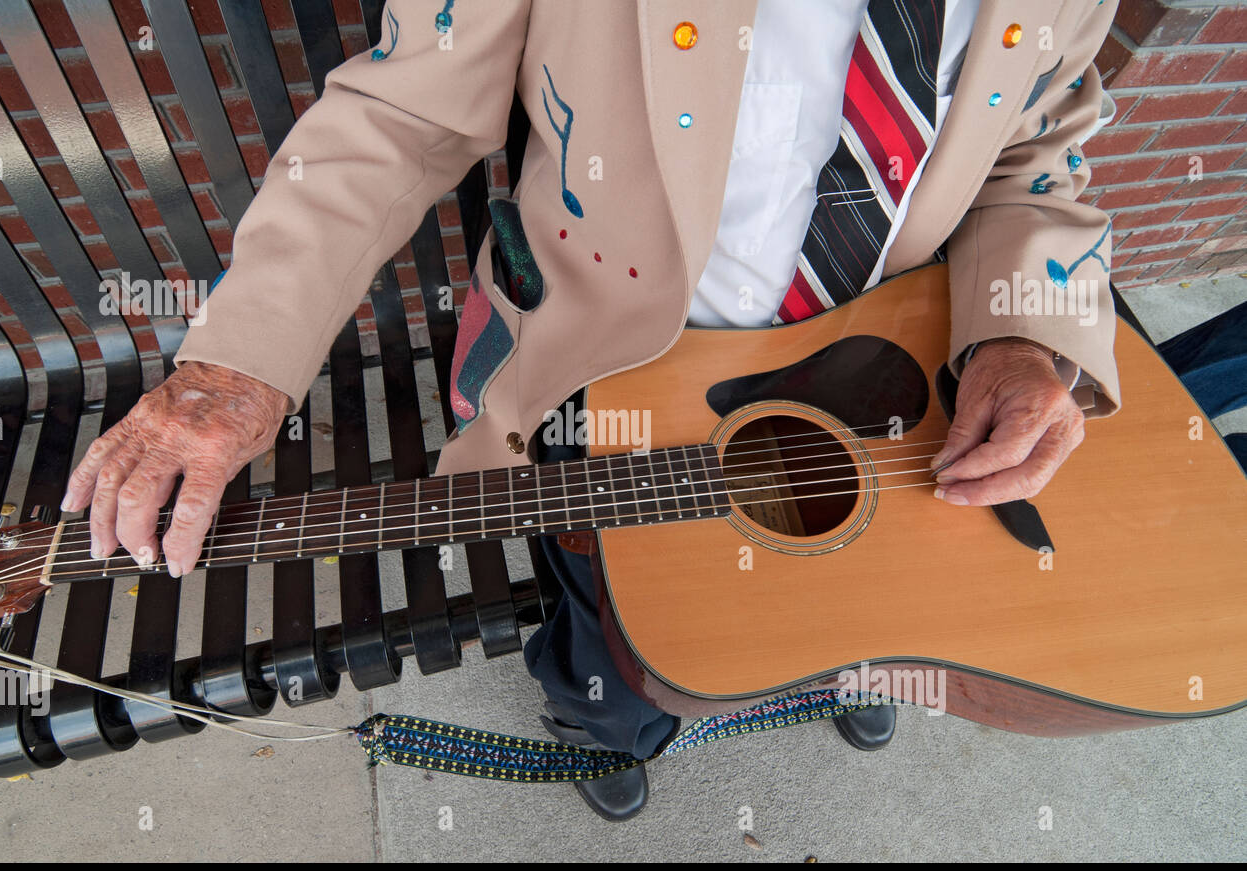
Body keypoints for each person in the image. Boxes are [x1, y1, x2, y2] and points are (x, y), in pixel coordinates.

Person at [63, 0, 1122, 820]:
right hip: (604, 375)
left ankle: (835, 650)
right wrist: (236, 369)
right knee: (623, 649)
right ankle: (601, 717)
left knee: (866, 608)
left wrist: (1032, 334)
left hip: (880, 384)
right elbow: (401, 114)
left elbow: (1038, 152)